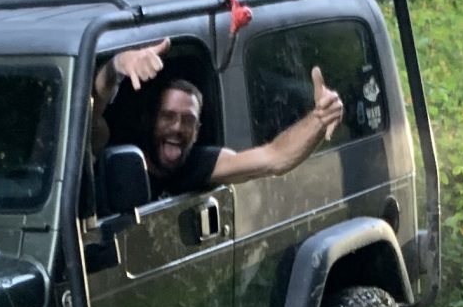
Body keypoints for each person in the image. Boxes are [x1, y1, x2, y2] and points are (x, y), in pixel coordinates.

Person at [92, 37, 343, 198]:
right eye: (168, 116)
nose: (177, 127)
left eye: (188, 120)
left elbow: (274, 157)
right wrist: (116, 66)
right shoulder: (120, 149)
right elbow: (86, 126)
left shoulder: (198, 163)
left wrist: (319, 119)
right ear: (152, 120)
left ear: (198, 130)